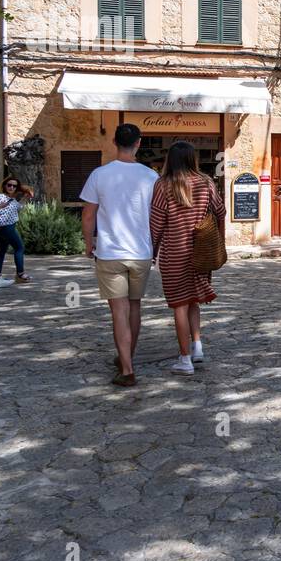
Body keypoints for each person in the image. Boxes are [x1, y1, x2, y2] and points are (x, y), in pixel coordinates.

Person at [80, 123, 159, 387]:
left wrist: (88, 243)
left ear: (114, 141)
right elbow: (158, 217)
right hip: (141, 252)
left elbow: (88, 214)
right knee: (135, 307)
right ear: (138, 142)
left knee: (118, 311)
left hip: (111, 251)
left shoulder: (99, 175)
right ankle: (129, 357)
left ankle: (126, 368)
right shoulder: (151, 177)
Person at [150, 141, 226, 376]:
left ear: (169, 160)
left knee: (179, 306)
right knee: (193, 300)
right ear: (193, 159)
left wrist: (152, 253)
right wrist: (219, 242)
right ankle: (197, 346)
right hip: (201, 253)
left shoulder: (163, 185)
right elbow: (221, 212)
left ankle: (185, 359)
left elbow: (156, 224)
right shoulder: (206, 182)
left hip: (174, 254)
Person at [0, 175, 34, 284]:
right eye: (9, 185)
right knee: (19, 248)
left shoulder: (12, 199)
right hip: (6, 227)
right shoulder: (0, 197)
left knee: (1, 251)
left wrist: (25, 197)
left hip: (8, 227)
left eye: (14, 186)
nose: (11, 187)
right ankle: (20, 274)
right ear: (4, 185)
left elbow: (19, 207)